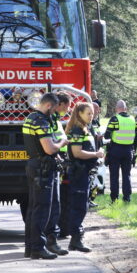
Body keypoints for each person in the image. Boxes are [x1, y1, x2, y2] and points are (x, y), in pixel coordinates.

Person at [23, 92, 68, 259]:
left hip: (34, 165)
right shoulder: (41, 122)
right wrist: (62, 142)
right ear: (48, 105)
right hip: (43, 169)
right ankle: (38, 248)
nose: (55, 112)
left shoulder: (30, 118)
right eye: (54, 109)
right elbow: (49, 149)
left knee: (33, 208)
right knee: (42, 210)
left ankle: (30, 247)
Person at [64, 102, 105, 252]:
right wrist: (96, 154)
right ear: (79, 113)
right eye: (88, 113)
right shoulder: (77, 130)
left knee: (82, 206)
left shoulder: (86, 128)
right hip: (78, 173)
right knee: (79, 207)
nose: (91, 116)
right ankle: (76, 239)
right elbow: (77, 153)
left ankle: (76, 240)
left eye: (92, 113)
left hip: (85, 172)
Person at [49, 92, 73, 248]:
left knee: (58, 201)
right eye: (68, 106)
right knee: (55, 202)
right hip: (56, 159)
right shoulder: (51, 120)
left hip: (60, 160)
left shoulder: (56, 120)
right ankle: (52, 238)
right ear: (61, 104)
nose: (68, 109)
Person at [105, 99, 137, 202]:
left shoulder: (115, 119)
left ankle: (114, 198)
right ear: (126, 109)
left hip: (115, 150)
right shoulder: (133, 120)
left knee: (114, 175)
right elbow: (136, 138)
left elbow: (107, 135)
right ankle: (127, 198)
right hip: (128, 150)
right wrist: (134, 151)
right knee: (126, 175)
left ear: (116, 109)